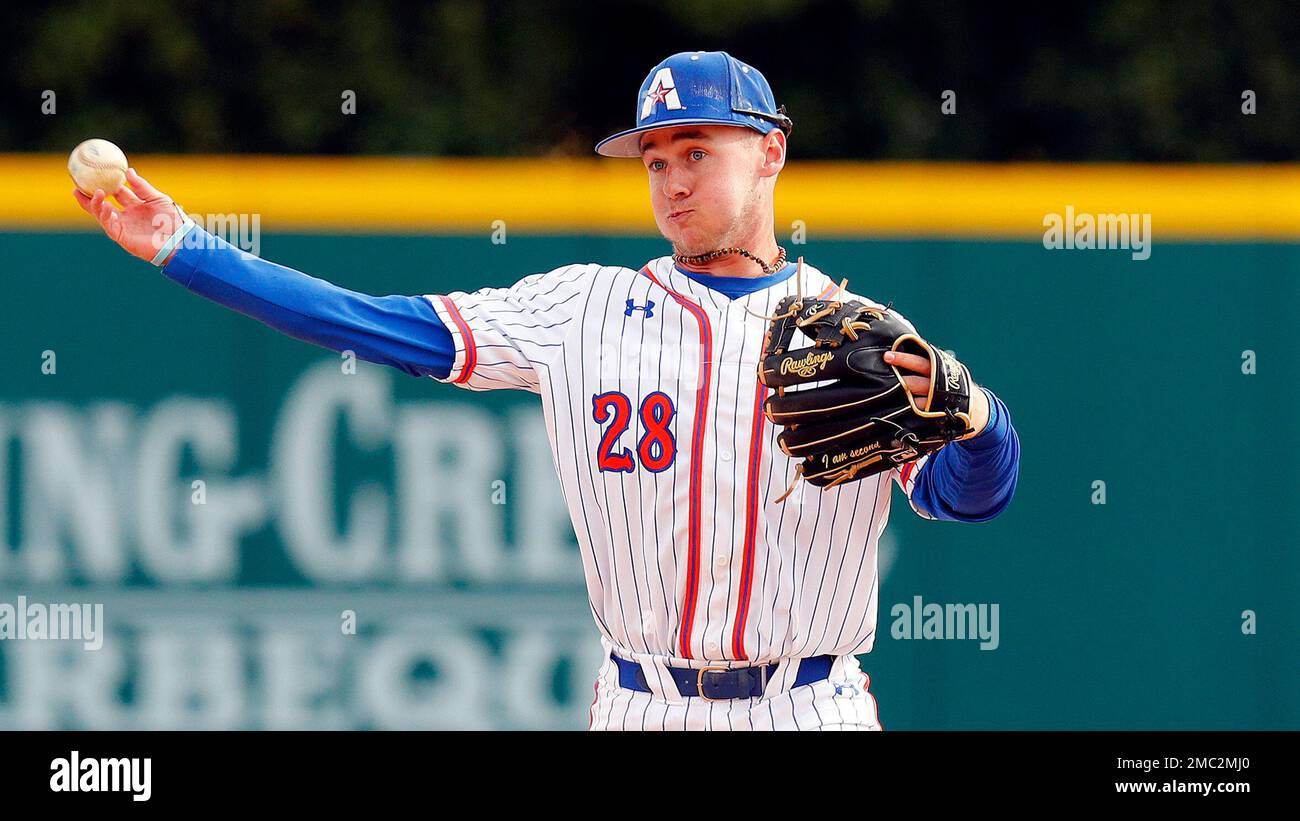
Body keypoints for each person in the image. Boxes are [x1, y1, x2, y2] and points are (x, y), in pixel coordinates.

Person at [74, 50, 1019, 731]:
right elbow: (368, 323)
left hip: (814, 704)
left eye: (698, 152)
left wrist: (978, 419)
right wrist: (186, 250)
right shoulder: (580, 309)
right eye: (656, 161)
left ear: (769, 151)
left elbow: (967, 498)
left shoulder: (853, 334)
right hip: (639, 703)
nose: (672, 181)